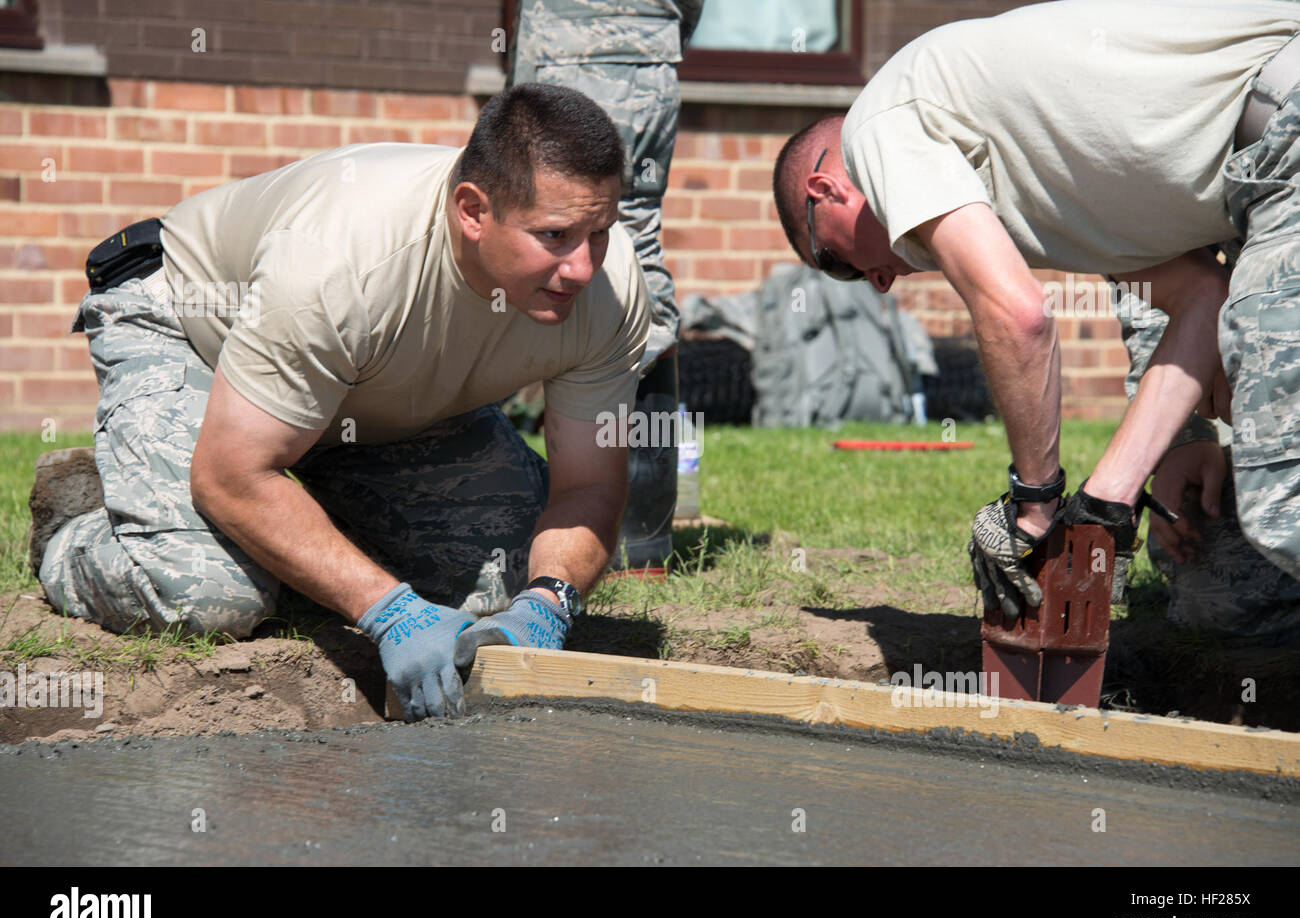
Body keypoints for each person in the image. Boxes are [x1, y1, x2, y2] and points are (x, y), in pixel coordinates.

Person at [33, 83, 652, 719]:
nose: (581, 267)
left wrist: (548, 604)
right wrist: (392, 612)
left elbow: (588, 488)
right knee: (208, 595)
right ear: (472, 211)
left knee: (505, 578)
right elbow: (232, 474)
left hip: (368, 397)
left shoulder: (611, 288)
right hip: (194, 326)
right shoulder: (339, 263)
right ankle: (79, 525)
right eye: (553, 235)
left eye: (598, 232)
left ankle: (300, 511)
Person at [771, 0, 1300, 632]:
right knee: (1224, 594)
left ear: (825, 192)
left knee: (1282, 500)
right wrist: (1107, 503)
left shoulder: (878, 124)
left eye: (836, 263)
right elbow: (1202, 296)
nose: (877, 284)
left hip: (1283, 129)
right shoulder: (1028, 172)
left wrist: (1034, 506)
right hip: (1264, 178)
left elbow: (1019, 317)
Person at [509, 0, 705, 571]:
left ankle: (635, 531)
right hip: (594, 39)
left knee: (618, 238)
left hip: (599, 35)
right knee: (548, 230)